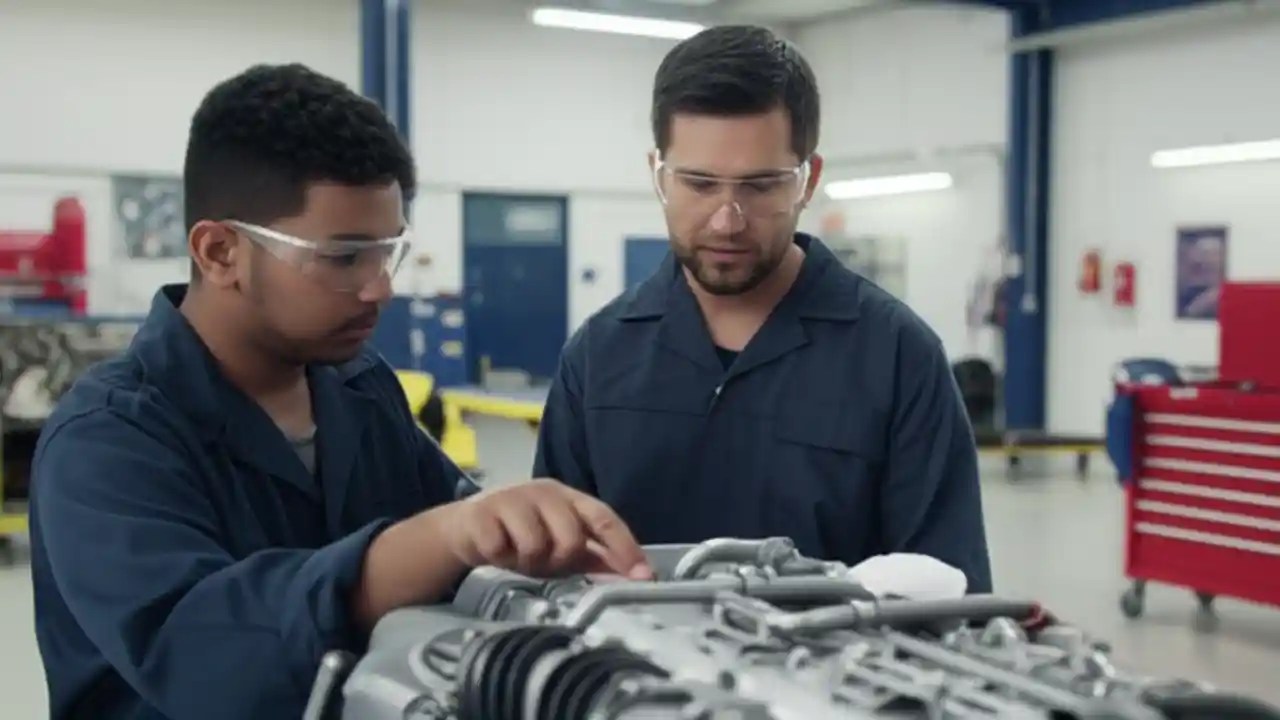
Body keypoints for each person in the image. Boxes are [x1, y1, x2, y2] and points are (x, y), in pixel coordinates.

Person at [28, 64, 652, 720]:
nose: (379, 287)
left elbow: (456, 528)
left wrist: (525, 536)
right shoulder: (109, 439)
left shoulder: (359, 390)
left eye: (386, 253)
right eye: (343, 257)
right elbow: (199, 657)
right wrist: (435, 541)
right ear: (219, 253)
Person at [534, 25, 992, 593]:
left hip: (832, 679)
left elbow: (947, 593)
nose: (727, 220)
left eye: (760, 187)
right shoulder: (598, 358)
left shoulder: (897, 357)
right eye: (699, 184)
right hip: (628, 680)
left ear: (808, 180)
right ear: (658, 175)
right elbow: (553, 582)